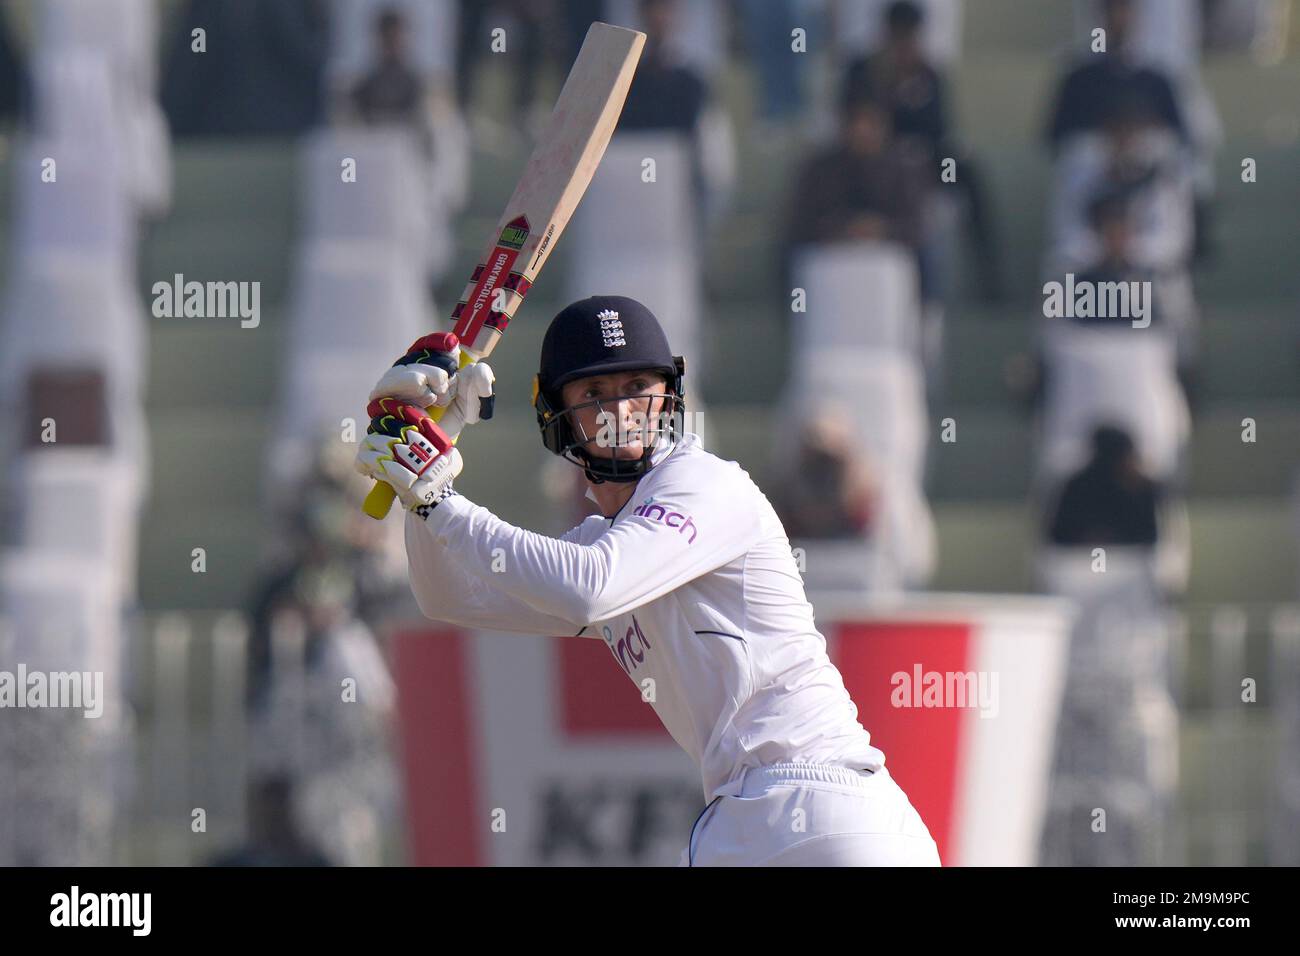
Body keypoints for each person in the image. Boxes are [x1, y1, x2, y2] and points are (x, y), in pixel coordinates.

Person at [353, 295, 940, 866]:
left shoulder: (705, 486)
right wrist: (430, 466)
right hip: (771, 819)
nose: (619, 411)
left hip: (812, 806)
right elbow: (448, 595)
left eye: (637, 387)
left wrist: (438, 495)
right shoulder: (608, 546)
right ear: (556, 413)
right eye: (593, 393)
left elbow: (591, 588)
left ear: (669, 396)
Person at [1046, 424, 1160, 547]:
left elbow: (1151, 537)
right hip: (1082, 562)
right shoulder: (1079, 489)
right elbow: (1058, 535)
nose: (1129, 465)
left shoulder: (1143, 490)